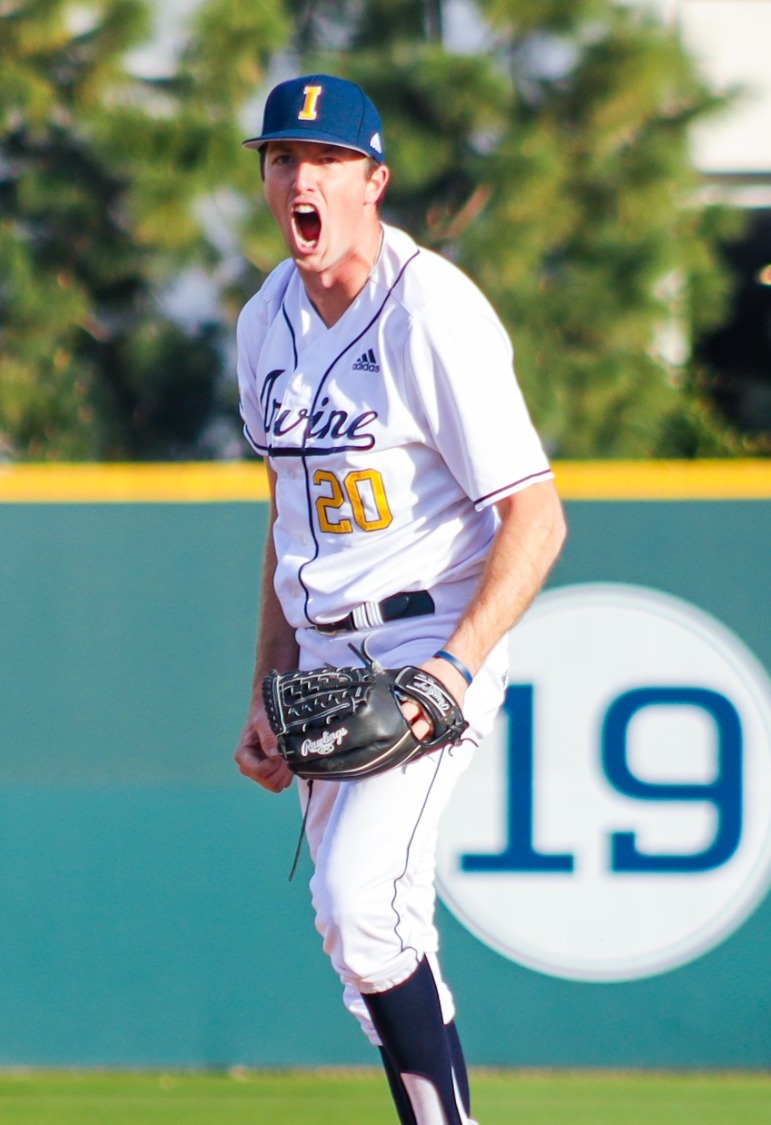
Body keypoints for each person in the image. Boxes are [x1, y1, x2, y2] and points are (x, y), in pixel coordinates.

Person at [230, 74, 567, 1125]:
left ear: (372, 181)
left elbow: (538, 520)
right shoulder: (261, 325)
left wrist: (451, 669)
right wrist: (264, 687)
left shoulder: (432, 313)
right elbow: (285, 524)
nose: (300, 176)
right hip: (324, 652)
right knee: (364, 941)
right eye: (282, 157)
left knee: (359, 909)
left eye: (325, 160)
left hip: (430, 631)